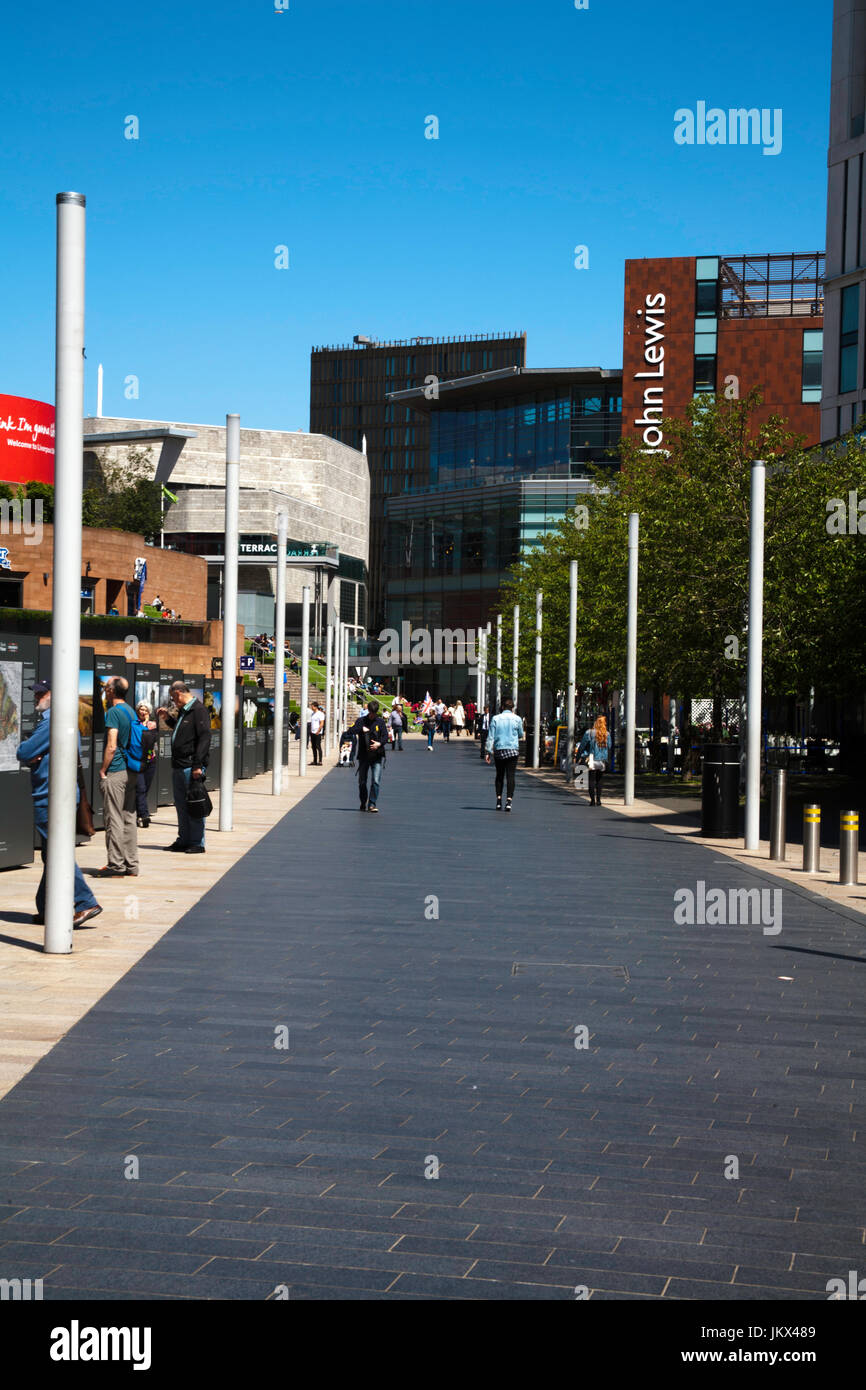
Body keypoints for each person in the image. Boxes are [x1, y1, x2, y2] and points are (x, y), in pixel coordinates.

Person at [16, 680, 102, 928]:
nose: (37, 697)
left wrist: (32, 755)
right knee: (50, 853)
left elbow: (24, 752)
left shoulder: (51, 722)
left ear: (54, 695)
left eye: (42, 693)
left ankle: (86, 902)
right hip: (57, 795)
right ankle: (46, 907)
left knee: (57, 852)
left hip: (50, 797)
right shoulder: (60, 720)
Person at [157, 681, 211, 852]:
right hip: (179, 765)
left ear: (179, 693)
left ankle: (197, 842)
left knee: (195, 804)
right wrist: (169, 720)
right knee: (181, 805)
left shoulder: (198, 710)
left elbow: (204, 738)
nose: (174, 702)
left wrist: (197, 765)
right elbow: (183, 732)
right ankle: (184, 840)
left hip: (191, 767)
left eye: (173, 698)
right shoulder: (184, 710)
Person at [97, 677, 139, 878]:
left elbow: (112, 745)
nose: (105, 692)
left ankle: (116, 865)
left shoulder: (113, 712)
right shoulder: (131, 711)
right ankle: (131, 865)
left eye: (106, 688)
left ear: (112, 691)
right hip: (131, 770)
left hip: (116, 770)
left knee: (113, 818)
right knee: (128, 818)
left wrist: (103, 770)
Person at [485, 697, 525, 812]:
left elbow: (491, 736)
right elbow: (521, 734)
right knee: (511, 775)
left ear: (502, 707)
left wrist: (488, 751)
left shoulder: (496, 719)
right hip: (512, 750)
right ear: (512, 708)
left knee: (499, 775)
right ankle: (509, 801)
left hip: (499, 749)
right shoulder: (517, 719)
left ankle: (498, 801)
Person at [352, 698, 389, 812]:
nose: (372, 716)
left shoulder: (380, 722)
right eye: (371, 713)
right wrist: (360, 728)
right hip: (363, 756)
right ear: (368, 711)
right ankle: (363, 801)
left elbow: (385, 736)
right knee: (362, 781)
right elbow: (350, 731)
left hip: (376, 755)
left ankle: (372, 803)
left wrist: (379, 743)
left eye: (374, 713)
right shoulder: (361, 721)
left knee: (376, 781)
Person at [134, 700, 159, 828]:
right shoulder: (134, 724)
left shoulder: (152, 725)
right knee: (141, 788)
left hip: (150, 760)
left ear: (149, 712)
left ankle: (138, 813)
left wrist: (147, 723)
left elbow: (152, 739)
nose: (142, 711)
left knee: (145, 789)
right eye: (141, 709)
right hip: (138, 760)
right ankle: (144, 815)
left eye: (145, 710)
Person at [578, 715, 612, 806]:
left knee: (591, 780)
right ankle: (599, 800)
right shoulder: (607, 734)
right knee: (599, 780)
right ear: (604, 724)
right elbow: (609, 746)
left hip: (592, 759)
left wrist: (578, 756)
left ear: (595, 723)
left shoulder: (589, 733)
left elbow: (582, 746)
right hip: (602, 760)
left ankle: (592, 800)